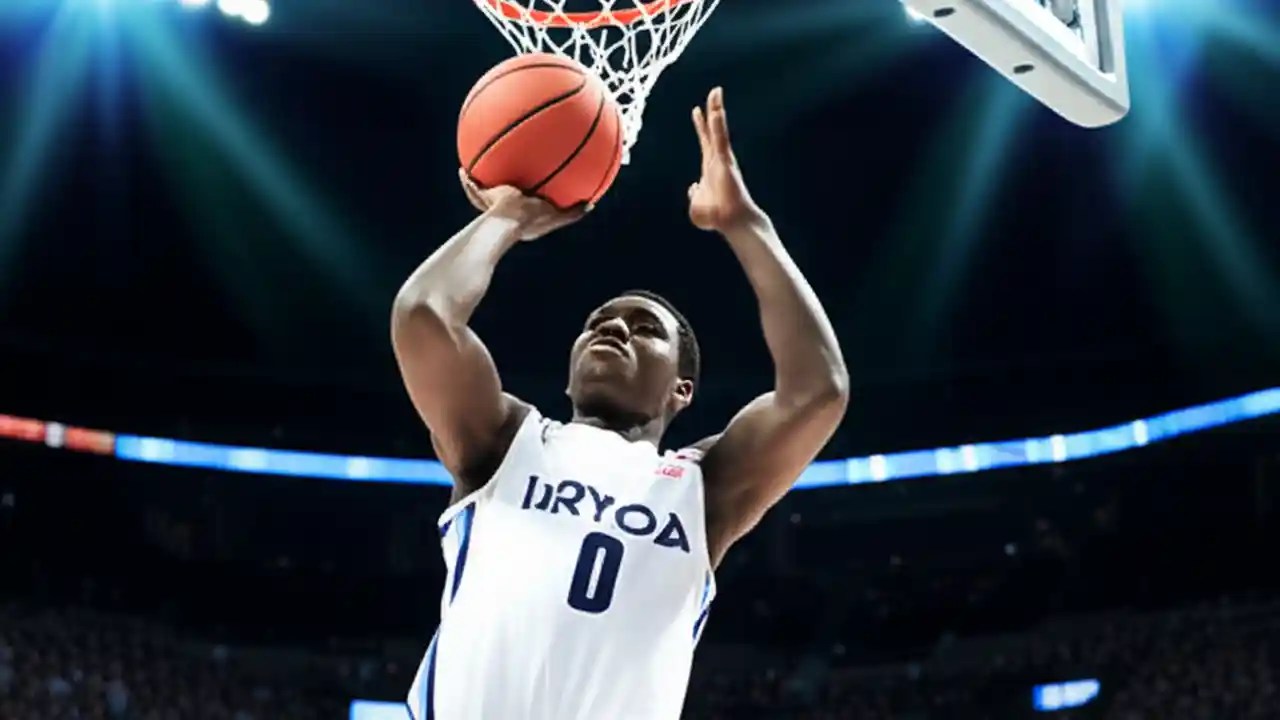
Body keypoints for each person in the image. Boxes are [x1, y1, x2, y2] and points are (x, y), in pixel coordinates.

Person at [394, 87, 848, 720]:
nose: (611, 328)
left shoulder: (703, 489)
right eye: (598, 321)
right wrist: (509, 217)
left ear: (681, 390)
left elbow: (817, 392)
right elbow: (423, 317)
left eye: (644, 327)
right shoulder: (507, 442)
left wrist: (747, 225)